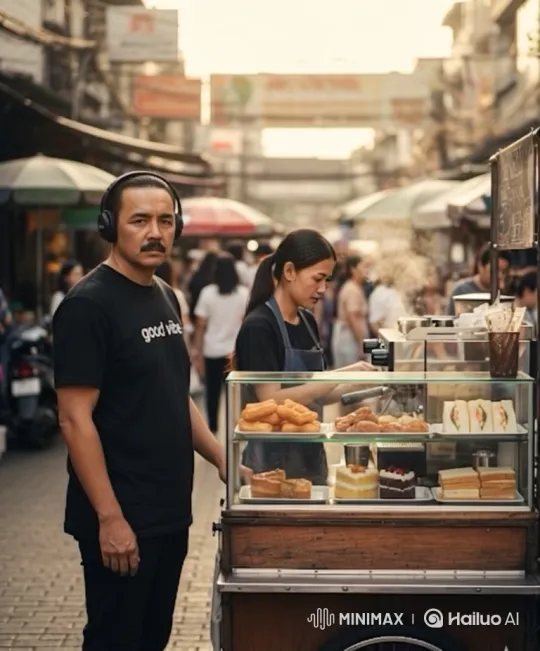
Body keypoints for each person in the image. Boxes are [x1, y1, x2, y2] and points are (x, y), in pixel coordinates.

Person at [52, 171, 231, 651]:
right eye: (140, 220)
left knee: (152, 636)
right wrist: (110, 519)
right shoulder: (88, 305)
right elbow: (74, 419)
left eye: (166, 221)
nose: (155, 232)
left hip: (169, 511)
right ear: (111, 225)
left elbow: (174, 393)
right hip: (122, 514)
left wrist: (221, 457)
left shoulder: (165, 295)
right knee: (116, 639)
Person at [235, 229, 374, 485]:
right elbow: (271, 399)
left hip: (311, 456)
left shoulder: (307, 321)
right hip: (270, 465)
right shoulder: (259, 327)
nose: (322, 289)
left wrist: (365, 384)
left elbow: (315, 394)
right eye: (317, 279)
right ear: (289, 272)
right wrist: (340, 374)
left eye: (327, 281)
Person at [192, 253, 249, 433]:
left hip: (212, 350)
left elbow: (200, 326)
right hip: (235, 352)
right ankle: (236, 427)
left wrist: (197, 351)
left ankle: (213, 428)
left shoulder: (207, 293)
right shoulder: (243, 294)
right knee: (235, 394)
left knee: (212, 393)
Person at [447, 243, 510, 315]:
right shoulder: (462, 291)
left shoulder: (503, 292)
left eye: (504, 271)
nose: (500, 275)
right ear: (480, 266)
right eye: (495, 270)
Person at [332, 255, 369, 368]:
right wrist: (361, 343)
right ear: (353, 269)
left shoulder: (354, 287)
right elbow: (352, 317)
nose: (367, 270)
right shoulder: (352, 289)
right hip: (350, 338)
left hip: (349, 336)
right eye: (364, 267)